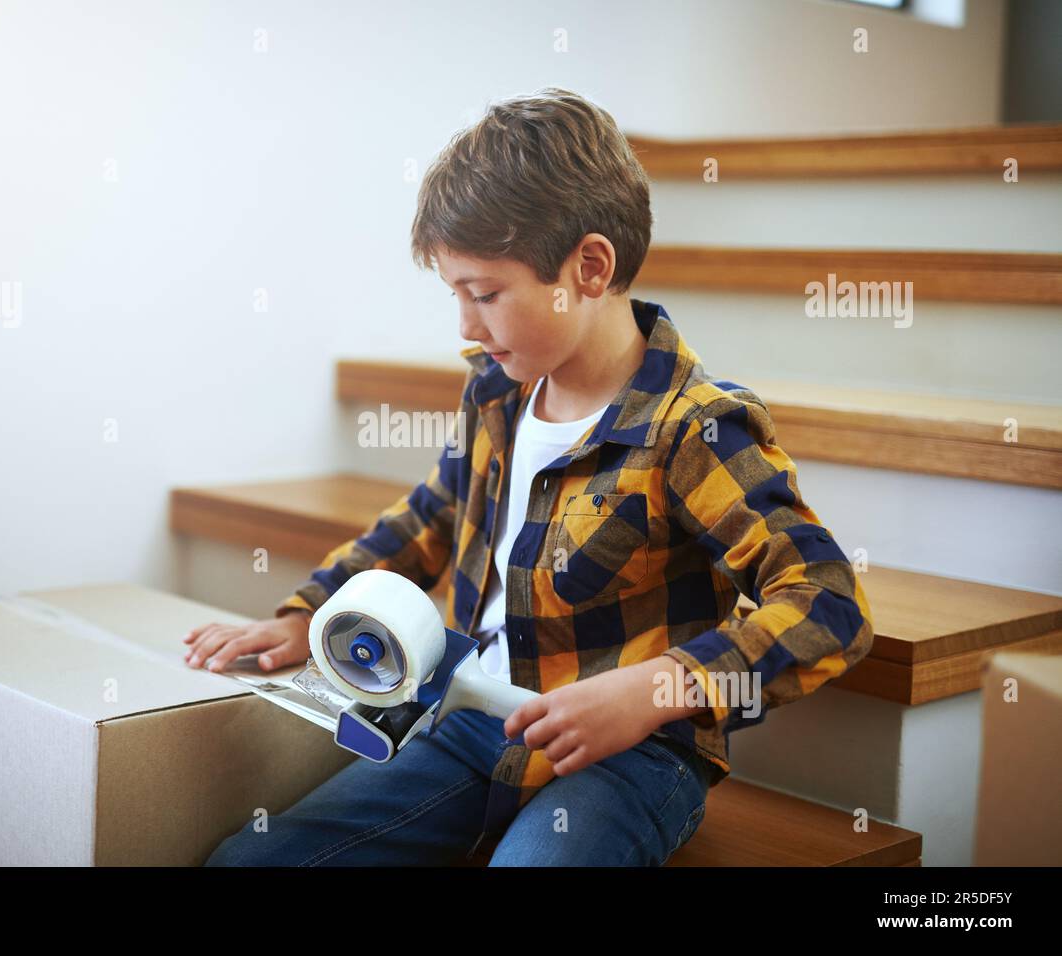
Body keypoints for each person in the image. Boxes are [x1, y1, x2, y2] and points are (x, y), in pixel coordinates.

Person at [188, 87, 874, 866]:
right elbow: (433, 513)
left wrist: (655, 692)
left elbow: (829, 601)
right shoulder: (497, 389)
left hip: (633, 757)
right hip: (478, 722)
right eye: (456, 295)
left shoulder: (694, 428)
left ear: (587, 267)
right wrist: (307, 612)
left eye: (484, 294)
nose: (465, 327)